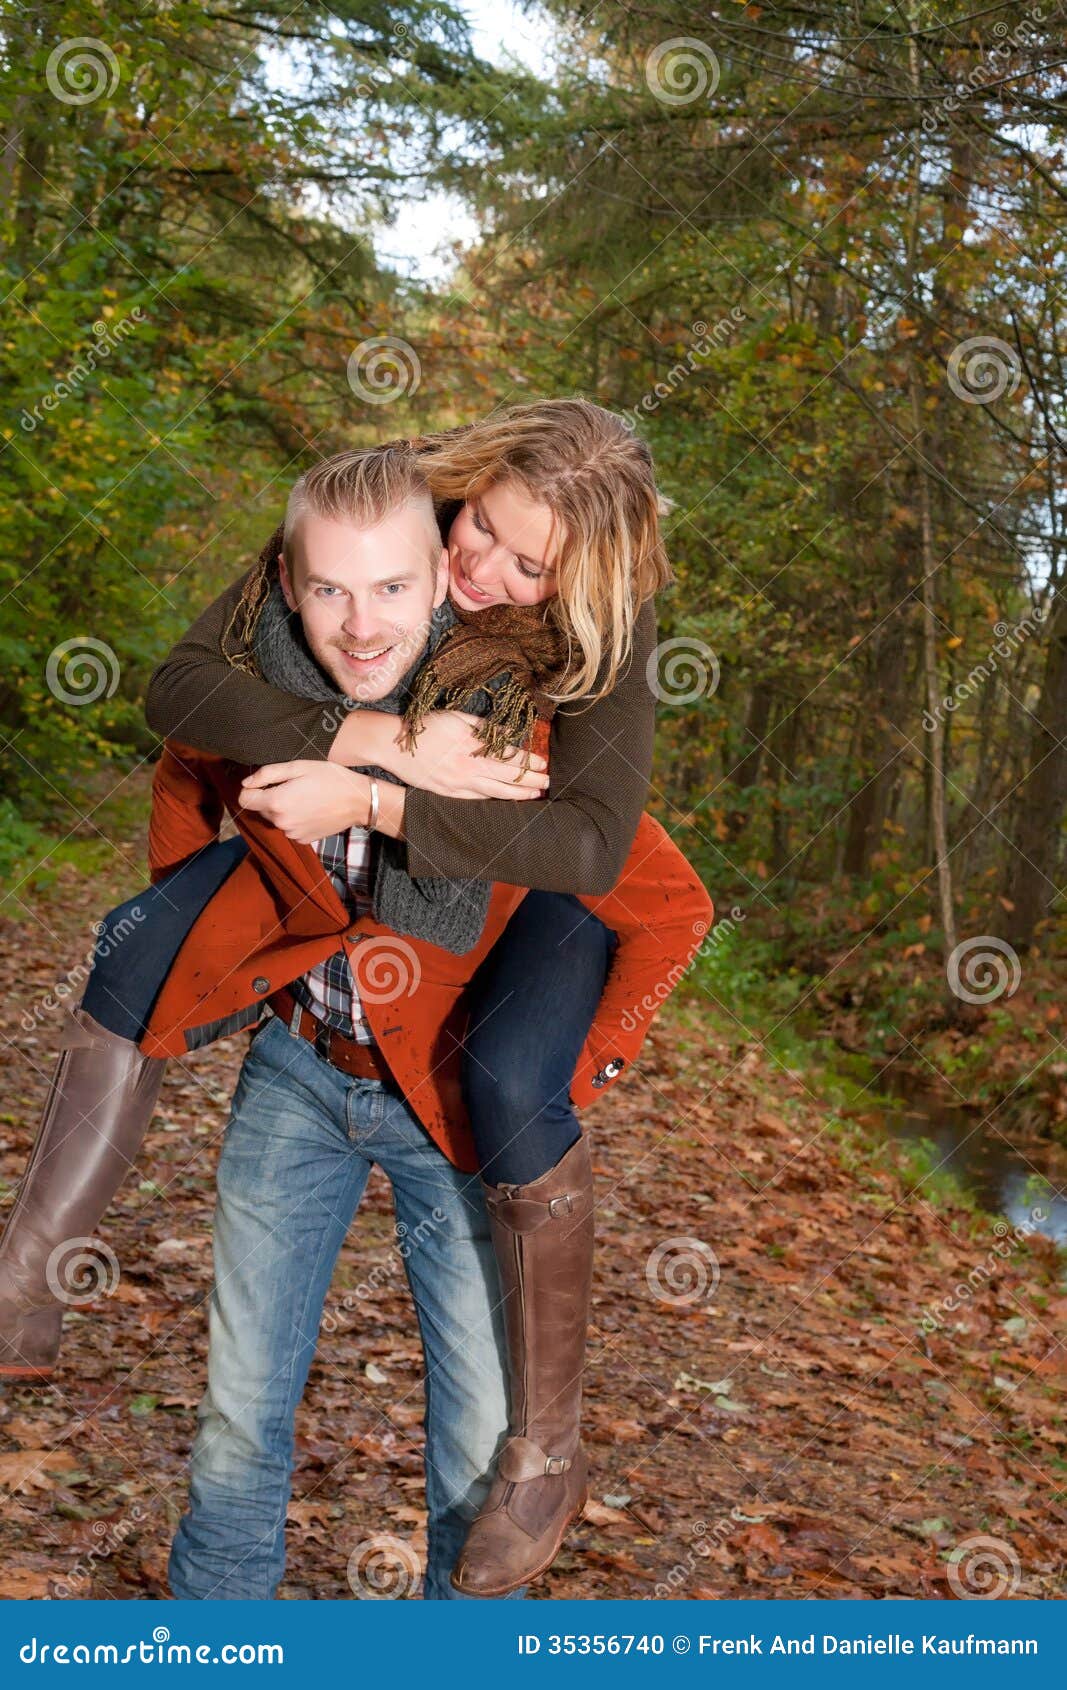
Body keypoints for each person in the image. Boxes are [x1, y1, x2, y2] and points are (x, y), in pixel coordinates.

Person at [0, 413, 711, 1597]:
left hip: (450, 1086)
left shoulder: (590, 655)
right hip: (303, 1057)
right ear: (462, 490)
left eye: (525, 565)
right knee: (235, 1428)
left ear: (580, 582)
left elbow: (600, 857)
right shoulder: (363, 544)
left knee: (473, 1465)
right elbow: (186, 702)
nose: (479, 571)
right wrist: (369, 738)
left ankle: (531, 1486)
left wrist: (382, 804)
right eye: (478, 526)